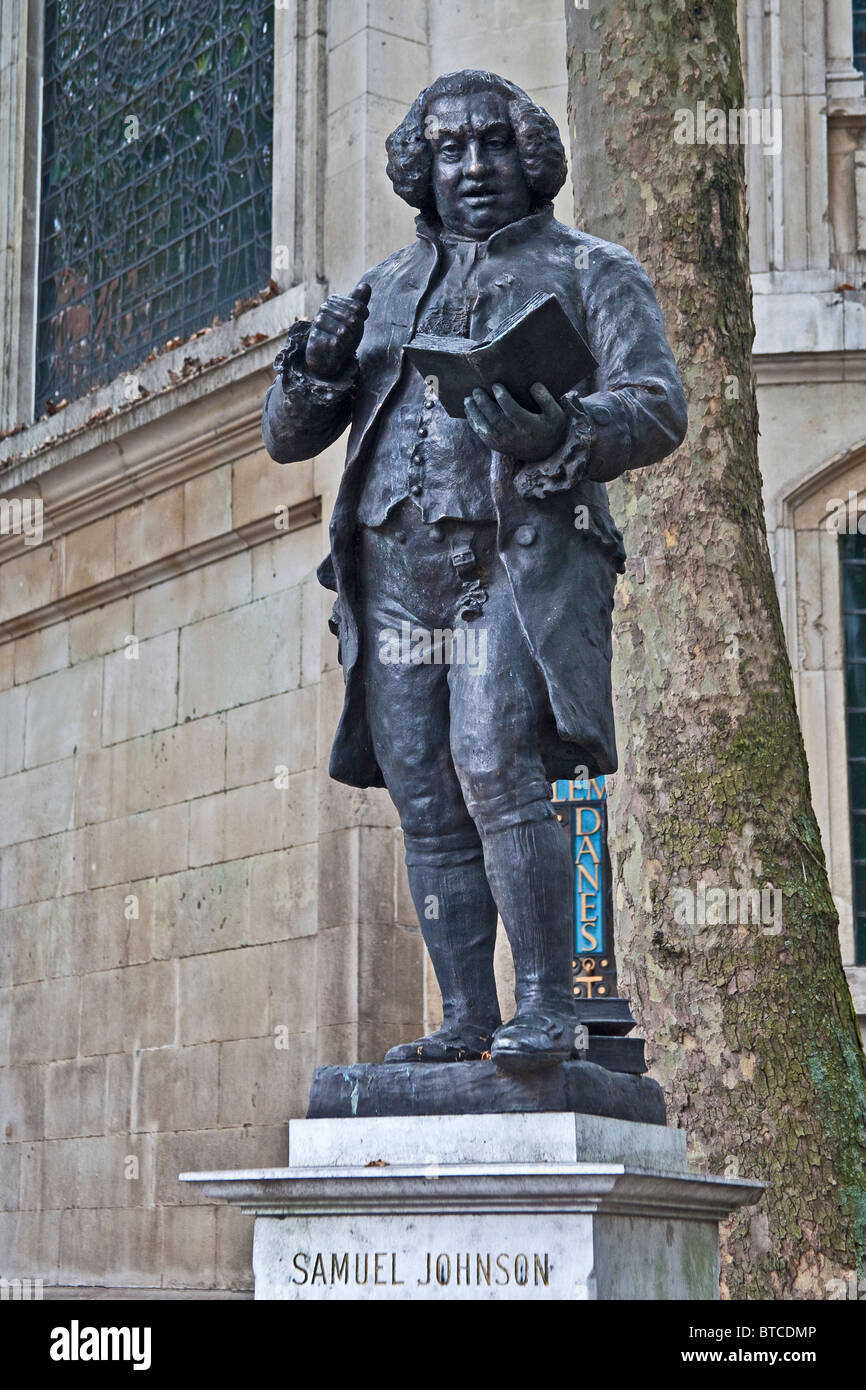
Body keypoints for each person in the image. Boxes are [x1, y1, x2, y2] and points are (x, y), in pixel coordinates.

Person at [262, 70, 687, 1071]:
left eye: (493, 145)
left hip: (515, 559)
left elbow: (656, 405)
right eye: (449, 151)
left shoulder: (593, 268)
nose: (473, 167)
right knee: (423, 791)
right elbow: (288, 438)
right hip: (394, 568)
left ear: (529, 157)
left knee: (496, 764)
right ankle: (465, 1015)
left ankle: (544, 1007)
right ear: (422, 171)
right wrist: (315, 367)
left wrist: (562, 426)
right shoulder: (382, 288)